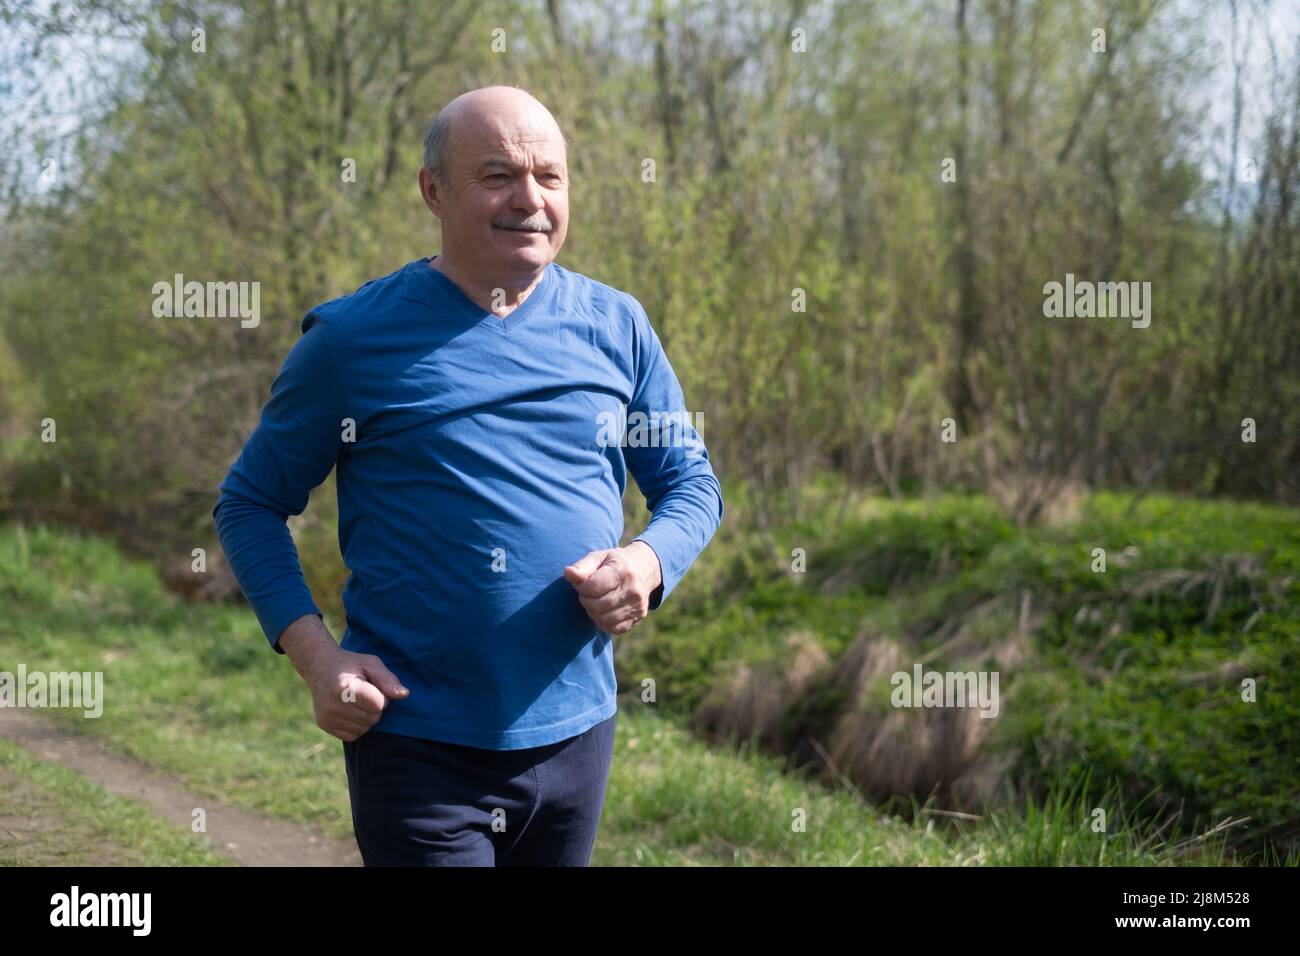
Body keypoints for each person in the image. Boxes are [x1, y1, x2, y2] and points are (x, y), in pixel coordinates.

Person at [212, 85, 724, 866]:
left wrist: (647, 565)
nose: (530, 199)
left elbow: (691, 483)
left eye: (549, 177)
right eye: (498, 175)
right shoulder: (352, 339)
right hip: (419, 745)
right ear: (433, 190)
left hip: (578, 733)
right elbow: (250, 503)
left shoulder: (619, 326)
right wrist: (318, 658)